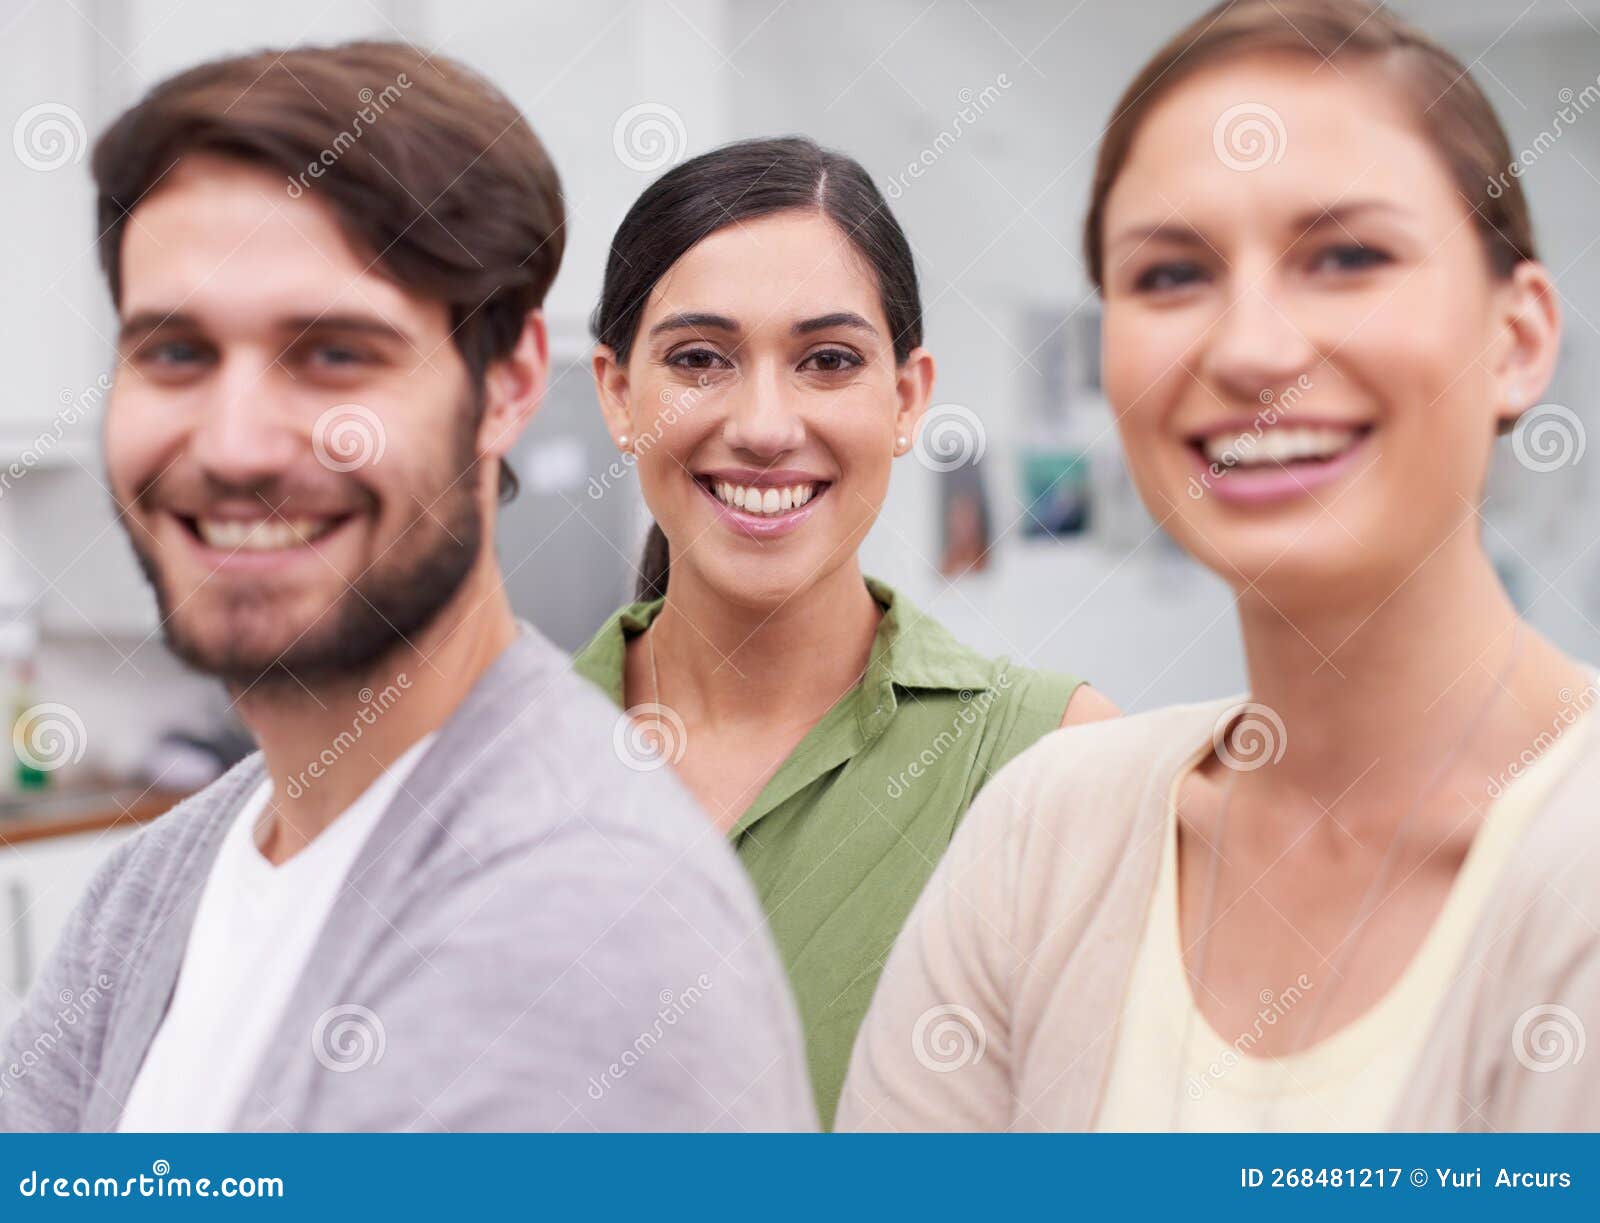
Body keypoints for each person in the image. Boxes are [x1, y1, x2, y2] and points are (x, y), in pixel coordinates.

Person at [0, 42, 814, 1133]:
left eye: (335, 353)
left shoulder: (579, 913)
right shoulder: (154, 885)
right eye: (177, 351)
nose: (235, 444)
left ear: (508, 384)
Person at [839, 0, 1600, 1132]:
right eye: (1169, 274)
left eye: (1346, 256)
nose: (1251, 351)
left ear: (1518, 336)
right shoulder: (1045, 832)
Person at [572, 137, 1117, 1127]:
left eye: (827, 360)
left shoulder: (1058, 761)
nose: (767, 424)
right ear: (616, 393)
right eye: (699, 359)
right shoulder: (479, 761)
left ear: (906, 397)